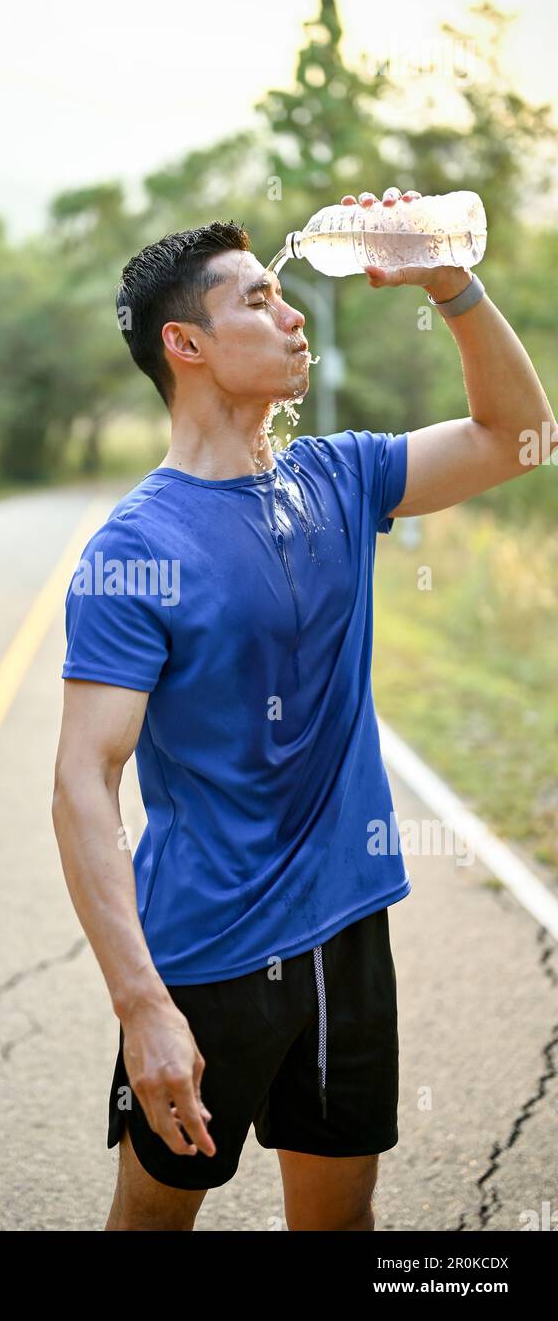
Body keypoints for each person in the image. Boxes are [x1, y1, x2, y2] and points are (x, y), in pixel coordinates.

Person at [50, 186, 556, 1231]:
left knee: (340, 1227)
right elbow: (83, 781)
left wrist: (449, 282)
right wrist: (143, 1006)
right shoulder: (135, 548)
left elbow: (522, 438)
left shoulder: (339, 475)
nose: (297, 318)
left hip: (345, 929)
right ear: (184, 342)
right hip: (206, 955)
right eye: (263, 301)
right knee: (152, 1223)